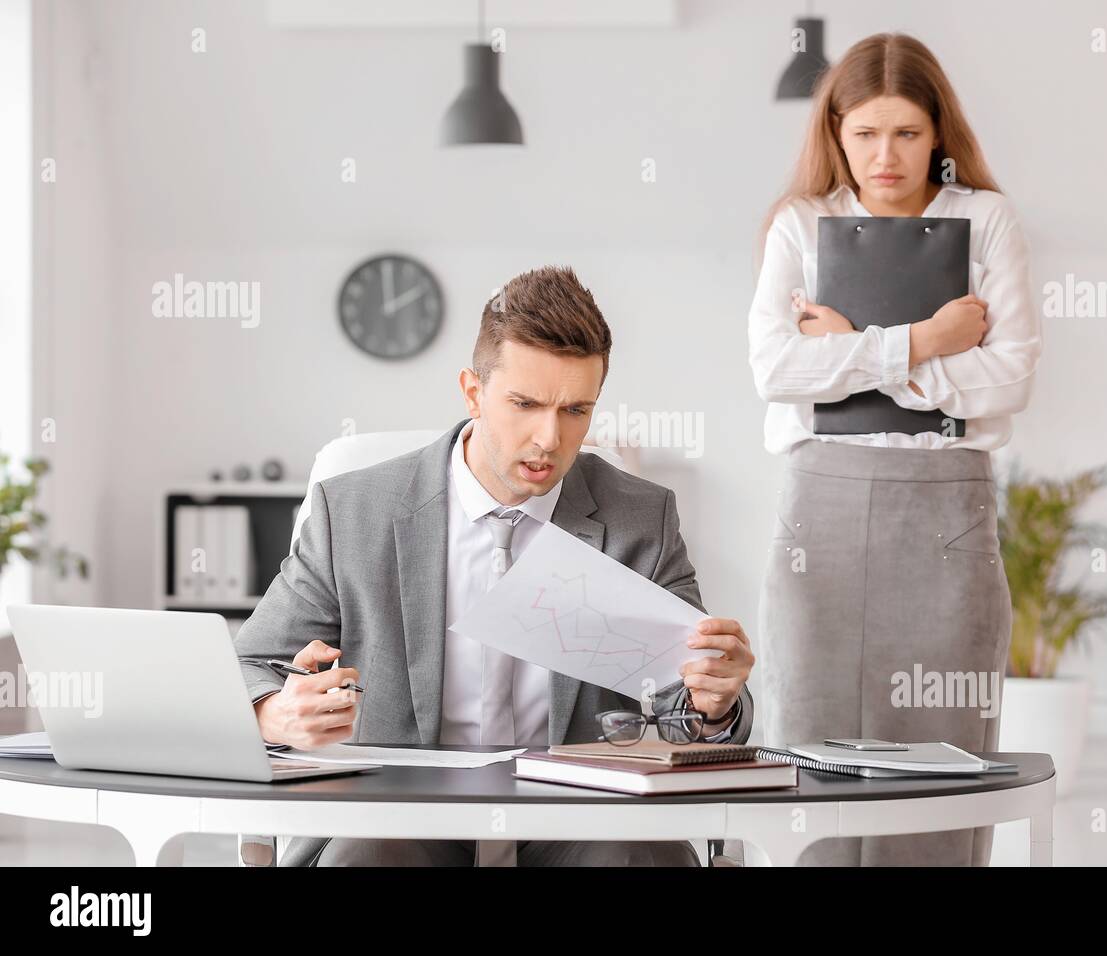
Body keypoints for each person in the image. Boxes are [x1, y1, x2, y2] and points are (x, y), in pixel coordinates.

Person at [237, 265, 756, 867]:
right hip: (402, 814)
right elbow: (251, 664)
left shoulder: (640, 516)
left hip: (574, 816)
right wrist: (274, 711)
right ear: (472, 391)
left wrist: (714, 703)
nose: (548, 438)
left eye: (575, 411)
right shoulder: (352, 511)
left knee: (640, 857)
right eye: (525, 404)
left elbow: (683, 711)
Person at [748, 33, 1042, 866]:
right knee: (811, 741)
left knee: (942, 757)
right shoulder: (801, 226)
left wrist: (859, 354)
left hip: (946, 508)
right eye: (867, 133)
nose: (887, 155)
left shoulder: (983, 218)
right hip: (821, 510)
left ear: (939, 132)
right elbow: (776, 369)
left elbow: (1010, 376)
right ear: (836, 132)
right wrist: (924, 340)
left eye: (908, 134)